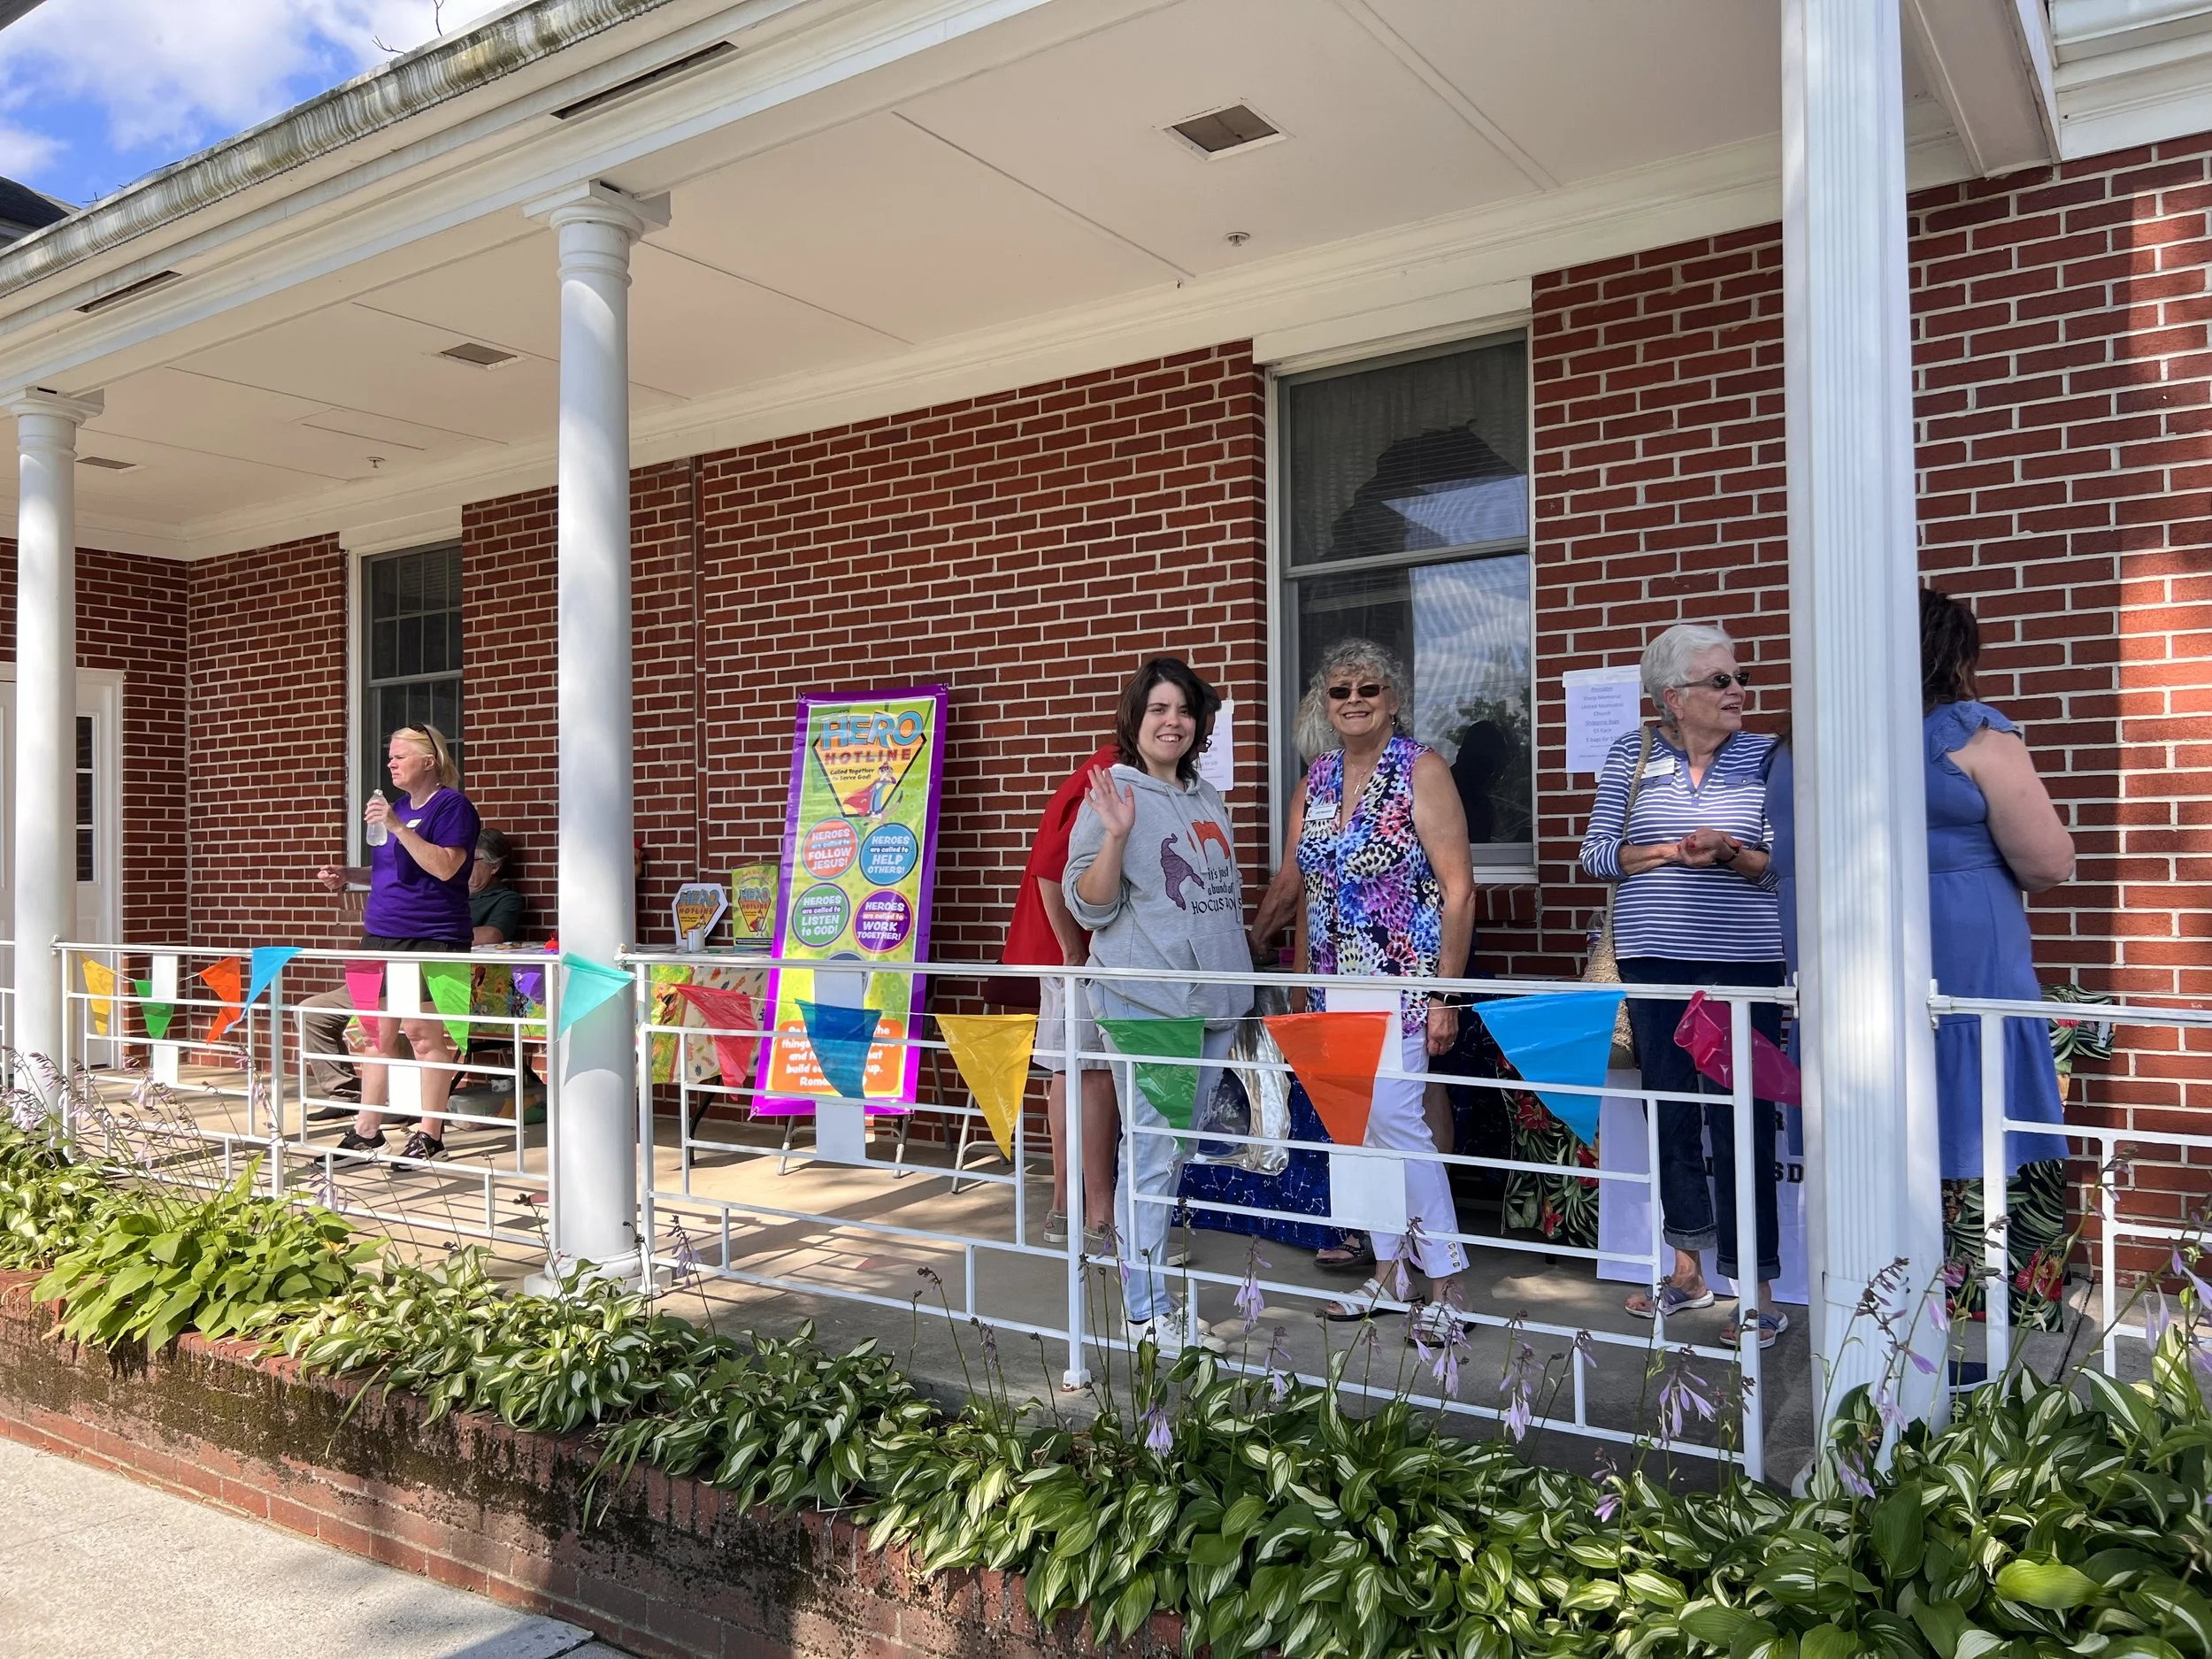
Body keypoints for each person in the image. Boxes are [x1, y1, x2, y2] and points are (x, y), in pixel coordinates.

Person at [1769, 590, 2074, 1327]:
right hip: (1964, 984)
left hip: (1837, 989)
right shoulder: (1970, 734)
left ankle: (1876, 1320)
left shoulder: (1798, 745)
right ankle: (1981, 1328)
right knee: (1978, 1136)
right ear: (1948, 654)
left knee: (1866, 1150)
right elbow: (2048, 862)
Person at [1580, 623, 1787, 1347]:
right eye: (1720, 681)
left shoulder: (1768, 756)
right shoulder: (1631, 752)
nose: (1739, 692)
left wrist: (1729, 852)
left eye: (1739, 678)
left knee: (1745, 1122)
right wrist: (1671, 849)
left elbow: (1786, 863)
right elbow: (1596, 854)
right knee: (1672, 1115)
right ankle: (1687, 1271)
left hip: (1745, 970)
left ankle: (1755, 1290)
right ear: (1674, 696)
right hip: (1653, 965)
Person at [1280, 641, 1479, 1345]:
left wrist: (1444, 995)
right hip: (1334, 982)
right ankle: (1391, 1271)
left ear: (1393, 698)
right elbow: (1308, 887)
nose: (1354, 700)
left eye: (1369, 688)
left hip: (1401, 980)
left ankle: (1447, 1283)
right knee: (1354, 1130)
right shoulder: (1320, 777)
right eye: (1340, 691)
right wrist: (1304, 981)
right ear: (1325, 704)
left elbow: (1458, 889)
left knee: (1398, 1123)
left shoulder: (1421, 769)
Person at [1065, 657, 1250, 1356]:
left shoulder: (1207, 797)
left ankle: (1155, 1302)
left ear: (1198, 723)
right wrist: (1115, 833)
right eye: (1158, 710)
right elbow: (1091, 903)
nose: (1172, 721)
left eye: (1183, 710)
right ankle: (1145, 1315)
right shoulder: (1112, 793)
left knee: (1168, 1157)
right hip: (1149, 1005)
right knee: (1149, 1157)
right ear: (1136, 721)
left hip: (1208, 1005)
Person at [314, 726, 480, 1160]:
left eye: (400, 756)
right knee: (375, 1035)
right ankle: (366, 1130)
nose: (391, 763)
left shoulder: (453, 806)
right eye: (389, 756)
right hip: (380, 933)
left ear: (429, 761)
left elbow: (445, 867)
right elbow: (395, 871)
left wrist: (397, 826)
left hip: (431, 936)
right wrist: (350, 876)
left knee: (424, 1036)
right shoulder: (399, 808)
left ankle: (431, 1135)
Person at [1001, 742, 1122, 1251]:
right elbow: (1050, 867)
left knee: (1071, 1072)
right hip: (1077, 951)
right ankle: (1097, 1214)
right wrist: (1073, 950)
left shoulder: (1108, 767)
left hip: (1075, 949)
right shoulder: (1112, 771)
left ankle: (1067, 1206)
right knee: (1089, 1073)